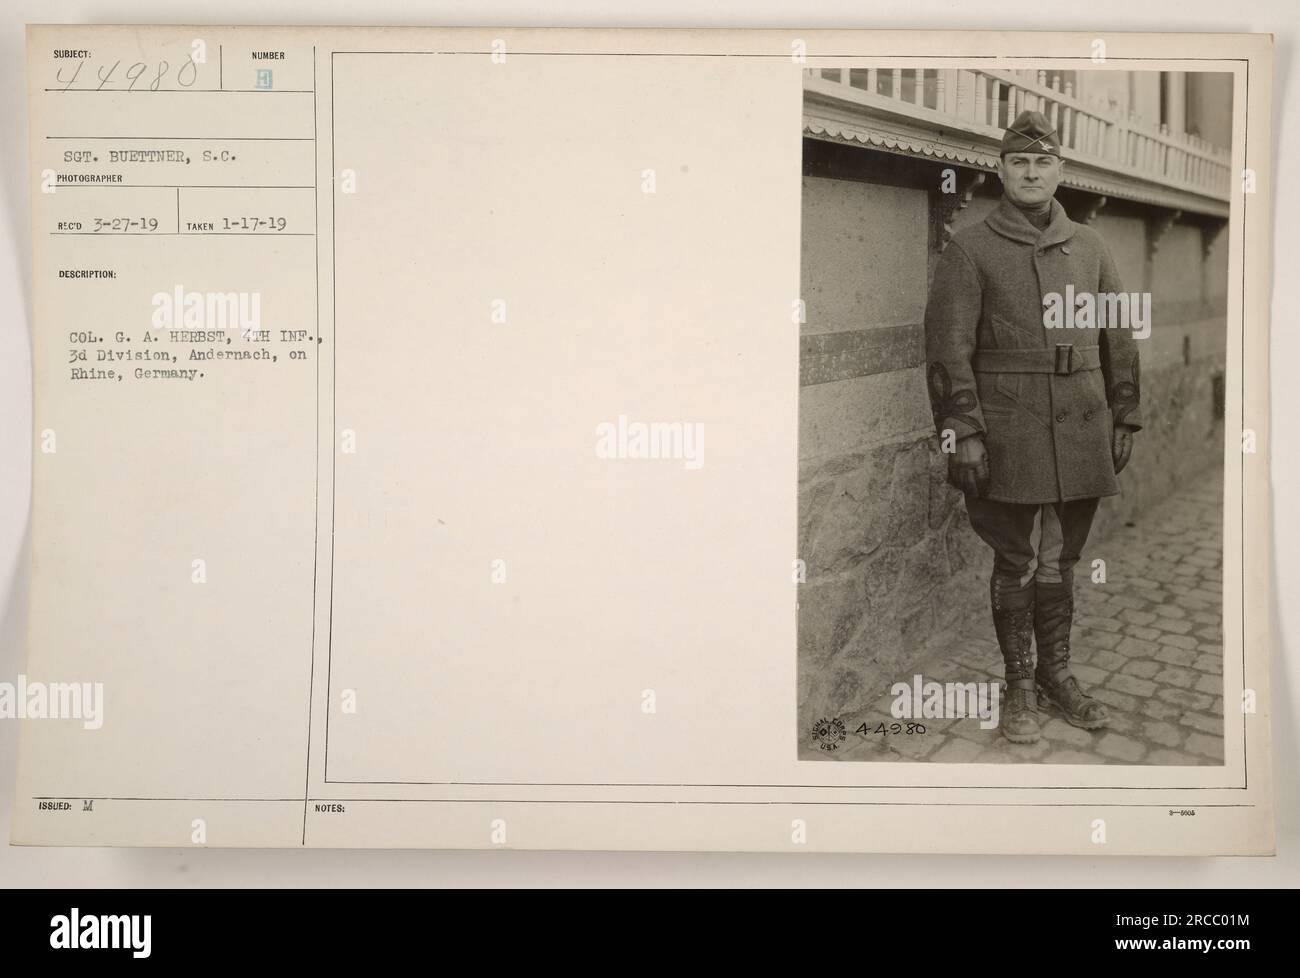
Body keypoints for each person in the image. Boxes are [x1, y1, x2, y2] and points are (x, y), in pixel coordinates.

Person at [923, 110, 1142, 744]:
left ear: (1059, 171)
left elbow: (1118, 334)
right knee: (1015, 558)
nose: (1031, 173)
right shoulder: (971, 245)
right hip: (1008, 428)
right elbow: (946, 347)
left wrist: (1124, 412)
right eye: (1019, 162)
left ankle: (1057, 675)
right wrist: (962, 431)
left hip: (1080, 423)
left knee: (1060, 559)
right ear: (999, 170)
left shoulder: (1093, 246)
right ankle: (1018, 683)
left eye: (1043, 162)